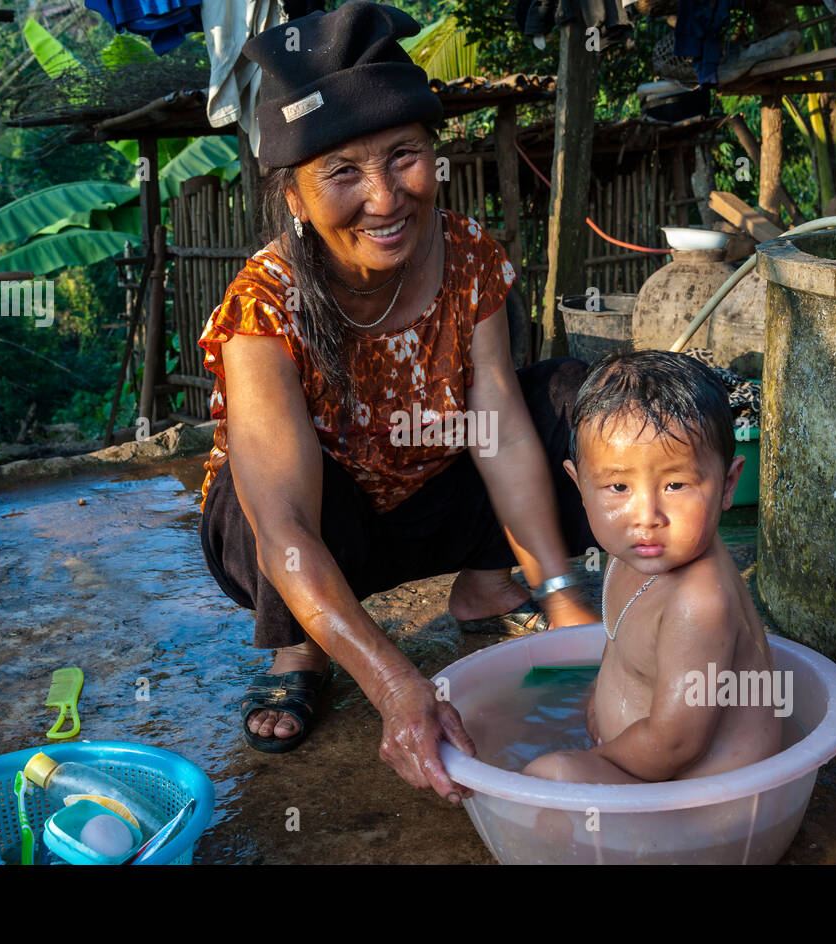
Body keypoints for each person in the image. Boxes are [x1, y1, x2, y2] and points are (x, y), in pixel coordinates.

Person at [197, 1, 600, 804]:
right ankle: (302, 648)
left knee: (575, 399)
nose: (384, 197)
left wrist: (564, 603)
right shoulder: (263, 307)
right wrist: (394, 682)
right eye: (343, 172)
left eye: (404, 156)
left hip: (433, 489)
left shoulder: (469, 254)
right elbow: (284, 527)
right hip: (324, 526)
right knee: (262, 497)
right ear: (297, 200)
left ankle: (493, 582)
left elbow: (502, 432)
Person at [523, 351, 782, 783]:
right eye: (618, 486)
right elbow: (618, 641)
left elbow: (675, 745)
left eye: (676, 485)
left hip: (702, 803)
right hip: (643, 763)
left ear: (728, 484)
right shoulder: (630, 553)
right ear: (580, 488)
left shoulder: (698, 602)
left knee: (552, 774)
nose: (646, 515)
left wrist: (595, 762)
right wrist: (598, 700)